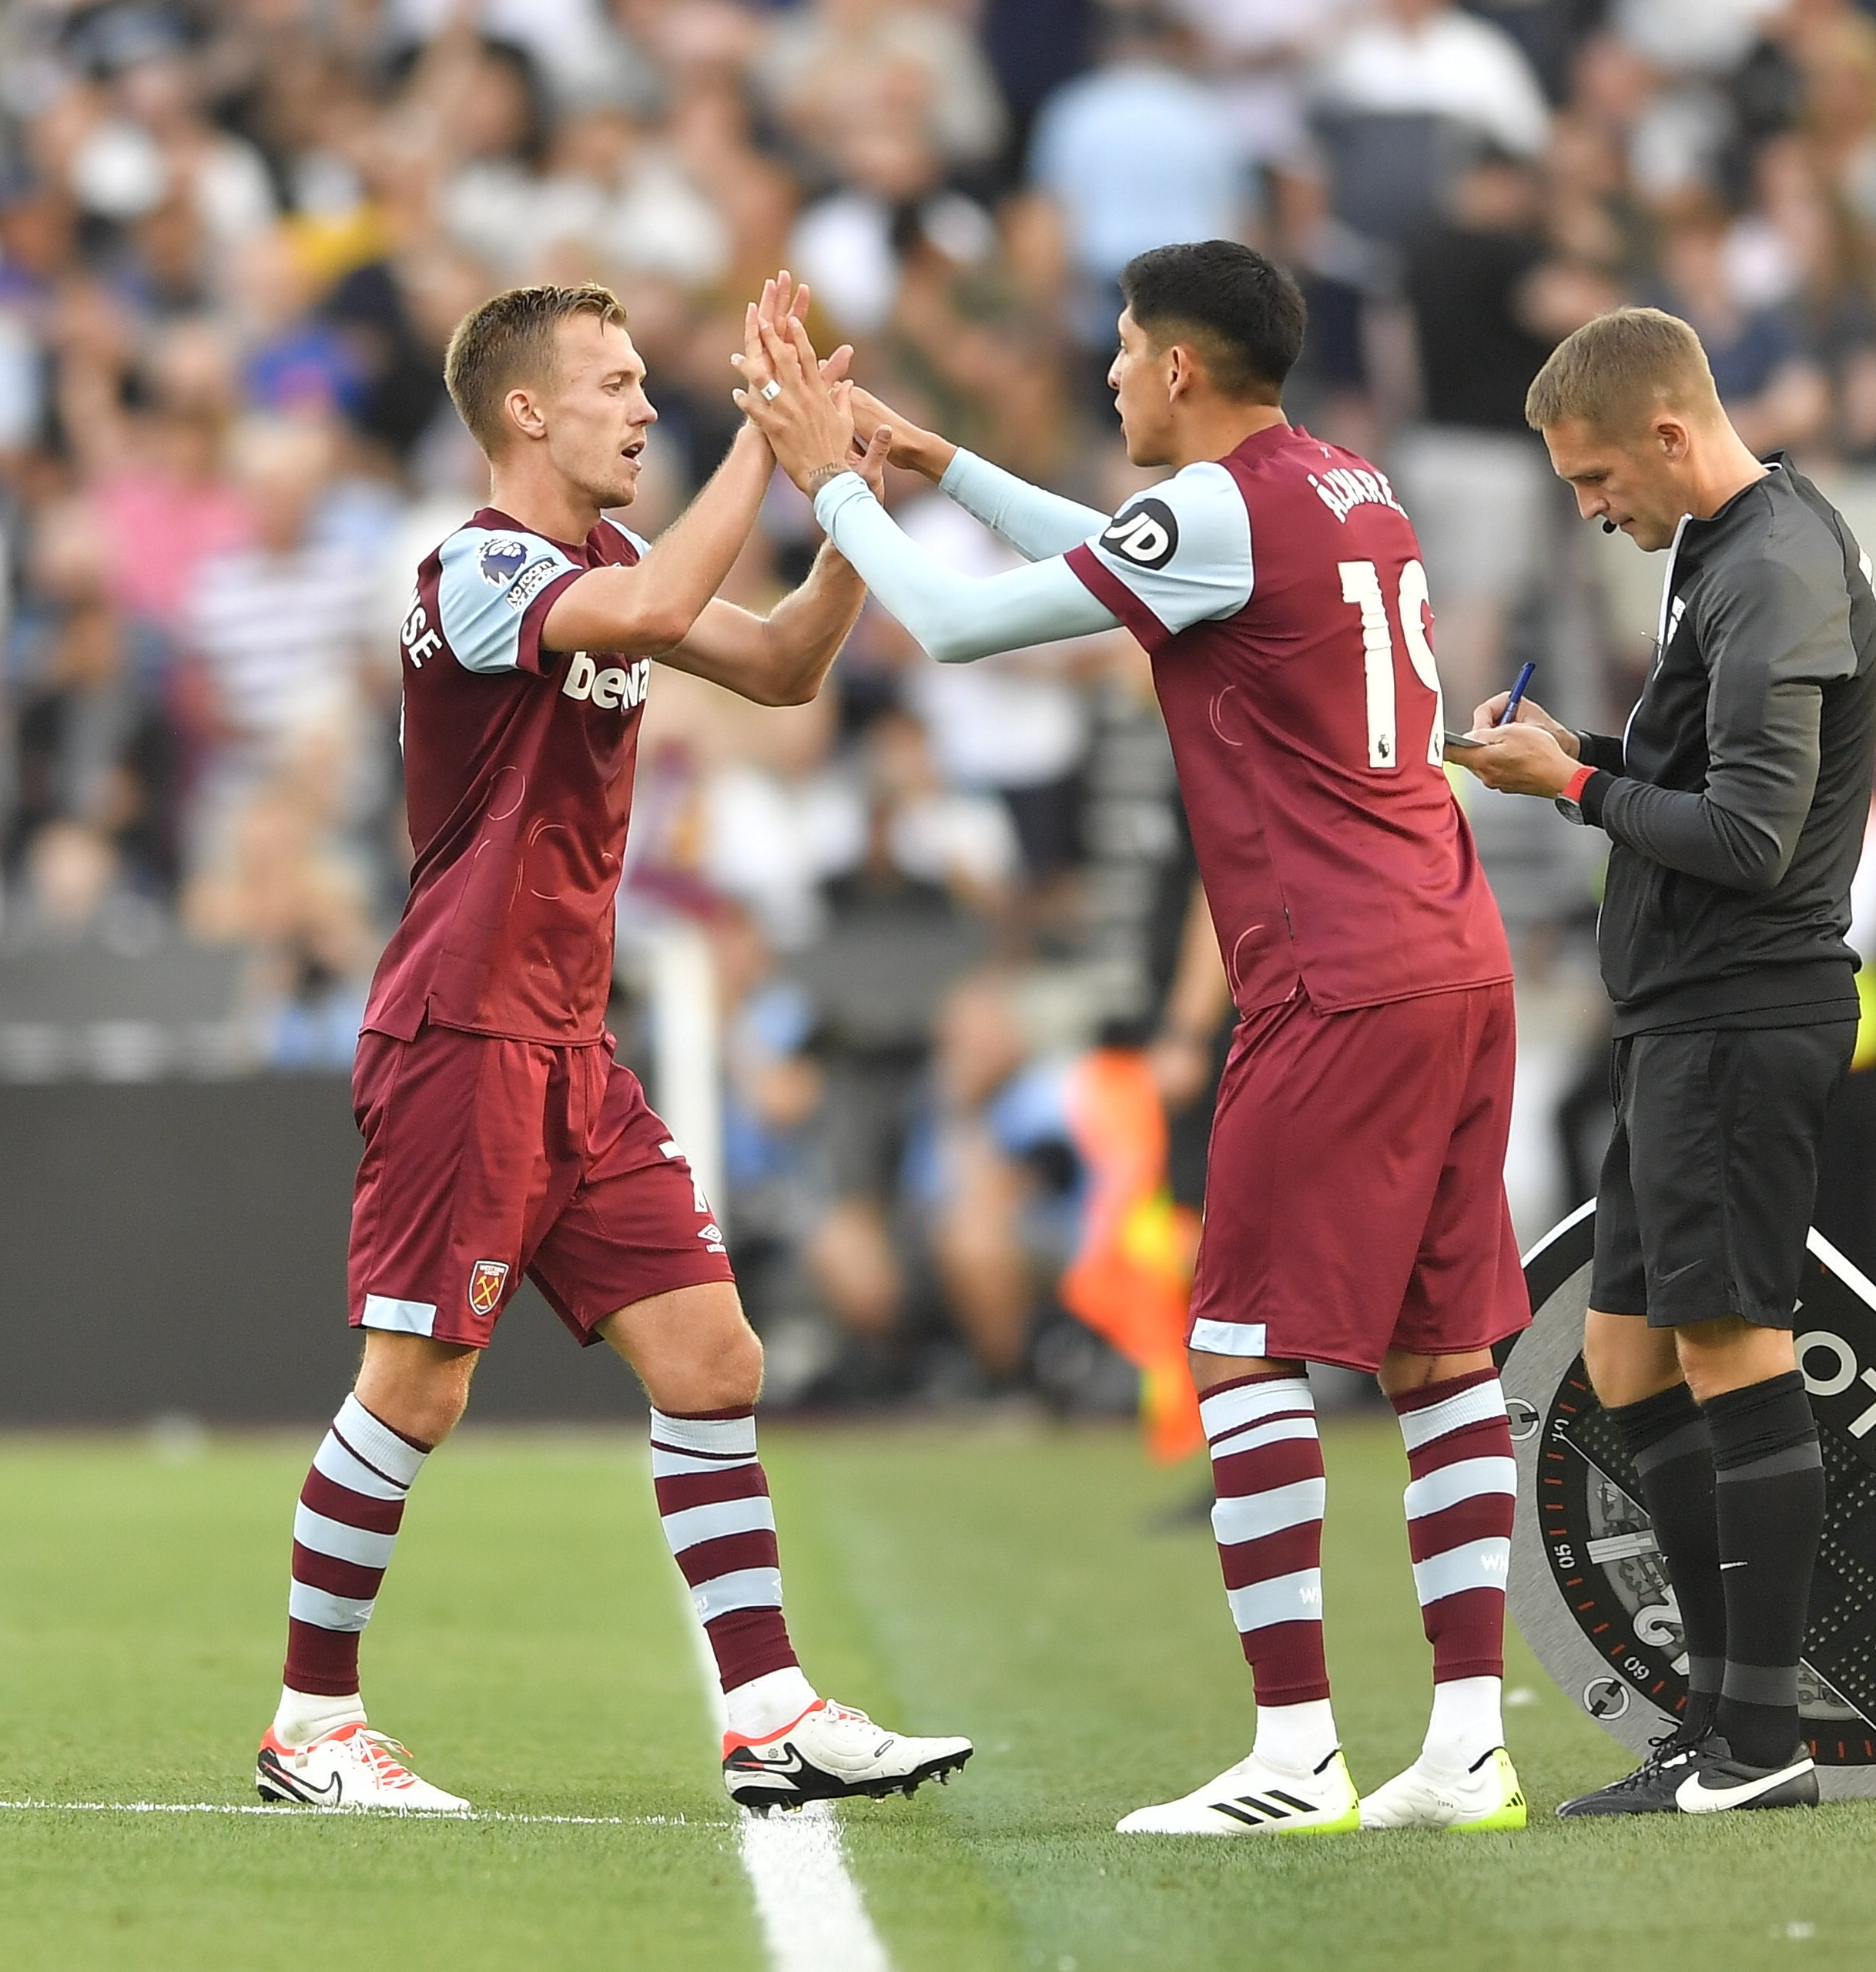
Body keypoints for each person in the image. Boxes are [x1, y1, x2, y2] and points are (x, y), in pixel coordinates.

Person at [735, 240, 1533, 1836]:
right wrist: (937, 456)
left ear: (1177, 366)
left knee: (1237, 1345)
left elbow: (960, 629)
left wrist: (832, 487)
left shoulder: (1218, 510)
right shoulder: (1343, 484)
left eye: (1117, 348)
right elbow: (1137, 552)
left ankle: (1294, 1747)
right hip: (1454, 952)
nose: (1104, 372)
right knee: (1441, 1357)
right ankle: (1463, 1744)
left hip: (1333, 976)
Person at [255, 275, 971, 1814]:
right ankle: (310, 1723)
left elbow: (780, 666)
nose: (647, 405)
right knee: (417, 1385)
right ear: (527, 409)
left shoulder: (605, 558)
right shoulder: (473, 572)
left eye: (654, 382)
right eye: (618, 381)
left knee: (714, 1358)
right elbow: (652, 619)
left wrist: (840, 495)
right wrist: (767, 450)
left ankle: (768, 1709)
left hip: (571, 1038)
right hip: (459, 1029)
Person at [1457, 306, 1876, 1816]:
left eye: (1588, 477)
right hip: (1675, 1016)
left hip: (1736, 1011)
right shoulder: (1722, 542)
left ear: (1665, 430)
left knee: (1730, 1351)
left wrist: (1567, 783)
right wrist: (1580, 746)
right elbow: (1696, 777)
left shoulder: (1767, 565)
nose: (1586, 506)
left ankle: (1756, 1741)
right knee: (1626, 1360)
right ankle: (1719, 1716)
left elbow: (1755, 838)